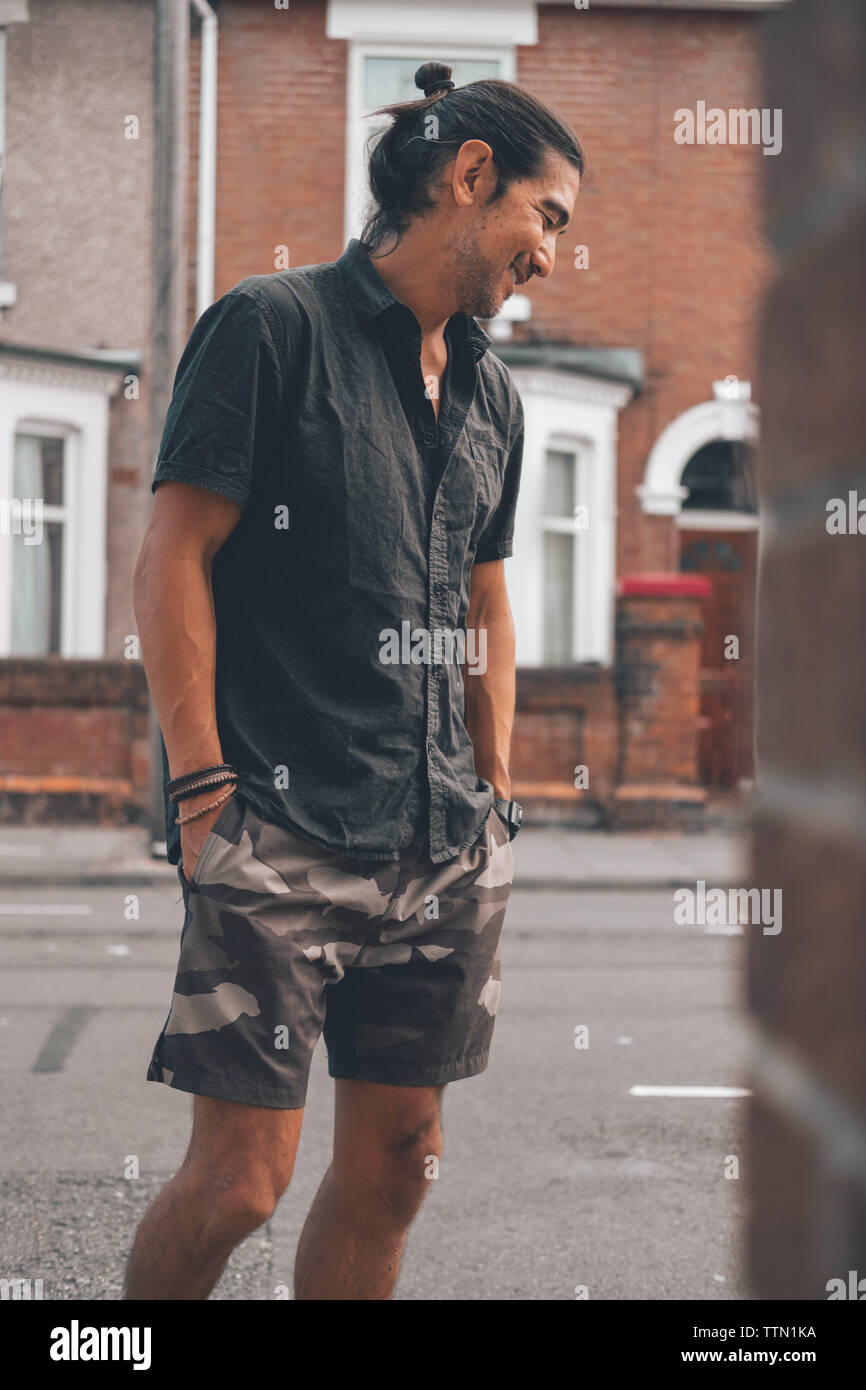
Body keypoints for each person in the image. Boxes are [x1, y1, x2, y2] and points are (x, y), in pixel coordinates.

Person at [125, 60, 582, 1301]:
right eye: (548, 217)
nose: (550, 255)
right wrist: (203, 784)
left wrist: (494, 789)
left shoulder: (492, 392)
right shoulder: (271, 326)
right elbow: (174, 553)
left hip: (442, 840)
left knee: (399, 1166)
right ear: (470, 175)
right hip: (278, 823)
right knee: (237, 1187)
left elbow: (483, 595)